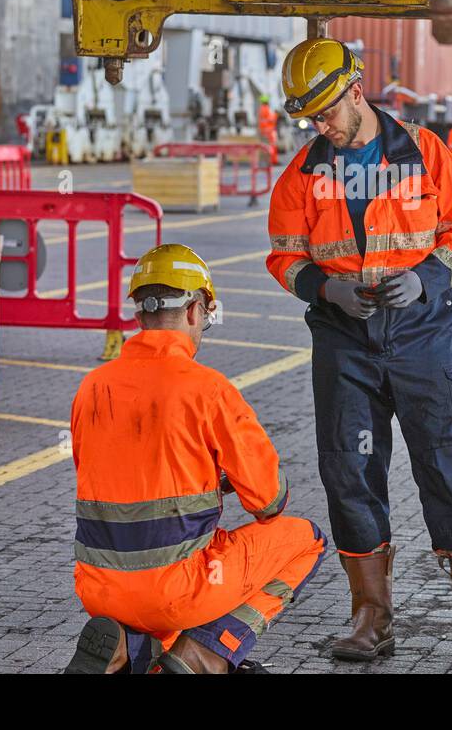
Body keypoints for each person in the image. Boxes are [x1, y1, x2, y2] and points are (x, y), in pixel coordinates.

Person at [266, 38, 452, 667]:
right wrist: (325, 287)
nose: (321, 127)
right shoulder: (304, 172)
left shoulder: (425, 151)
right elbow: (283, 253)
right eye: (311, 119)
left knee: (448, 467)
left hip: (422, 338)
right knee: (349, 474)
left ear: (356, 93)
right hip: (344, 341)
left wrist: (428, 276)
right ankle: (371, 621)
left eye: (326, 113)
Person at [64, 243, 326, 674]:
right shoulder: (208, 389)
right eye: (207, 315)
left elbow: (105, 474)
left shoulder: (92, 386)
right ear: (195, 309)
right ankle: (204, 653)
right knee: (306, 538)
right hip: (174, 590)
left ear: (139, 313)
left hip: (98, 588)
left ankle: (125, 650)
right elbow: (268, 502)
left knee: (168, 584)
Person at [257, 94, 280, 163]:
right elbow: (271, 119)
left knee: (266, 147)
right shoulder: (267, 109)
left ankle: (268, 161)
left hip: (264, 131)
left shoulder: (261, 109)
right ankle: (273, 161)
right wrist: (276, 115)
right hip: (270, 131)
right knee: (273, 146)